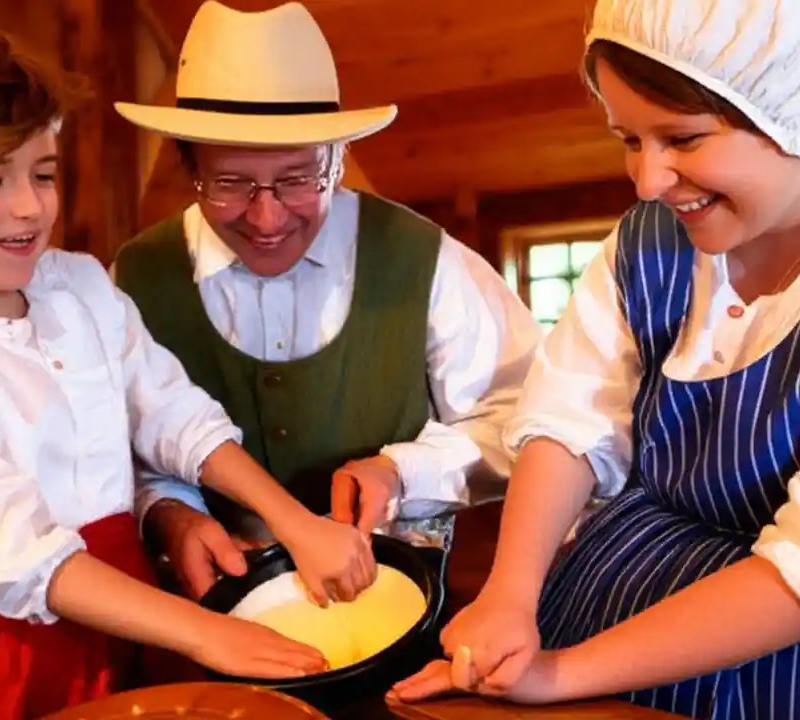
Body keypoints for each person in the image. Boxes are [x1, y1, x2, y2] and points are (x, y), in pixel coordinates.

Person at [392, 0, 800, 717]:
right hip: (613, 615)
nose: (647, 181)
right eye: (629, 138)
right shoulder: (655, 240)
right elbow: (569, 419)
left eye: (682, 138)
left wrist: (557, 678)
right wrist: (510, 595)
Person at [0, 15, 376, 719]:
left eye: (43, 173)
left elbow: (173, 414)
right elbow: (16, 555)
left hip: (131, 618)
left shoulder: (76, 286)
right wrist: (210, 634)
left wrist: (294, 521)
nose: (28, 207)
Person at [111, 1, 541, 599]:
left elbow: (522, 419)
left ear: (338, 163)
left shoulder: (424, 259)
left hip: (399, 609)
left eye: (297, 178)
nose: (266, 217)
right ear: (190, 167)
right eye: (231, 183)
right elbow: (118, 449)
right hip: (209, 624)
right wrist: (171, 515)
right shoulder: (136, 279)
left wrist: (401, 471)